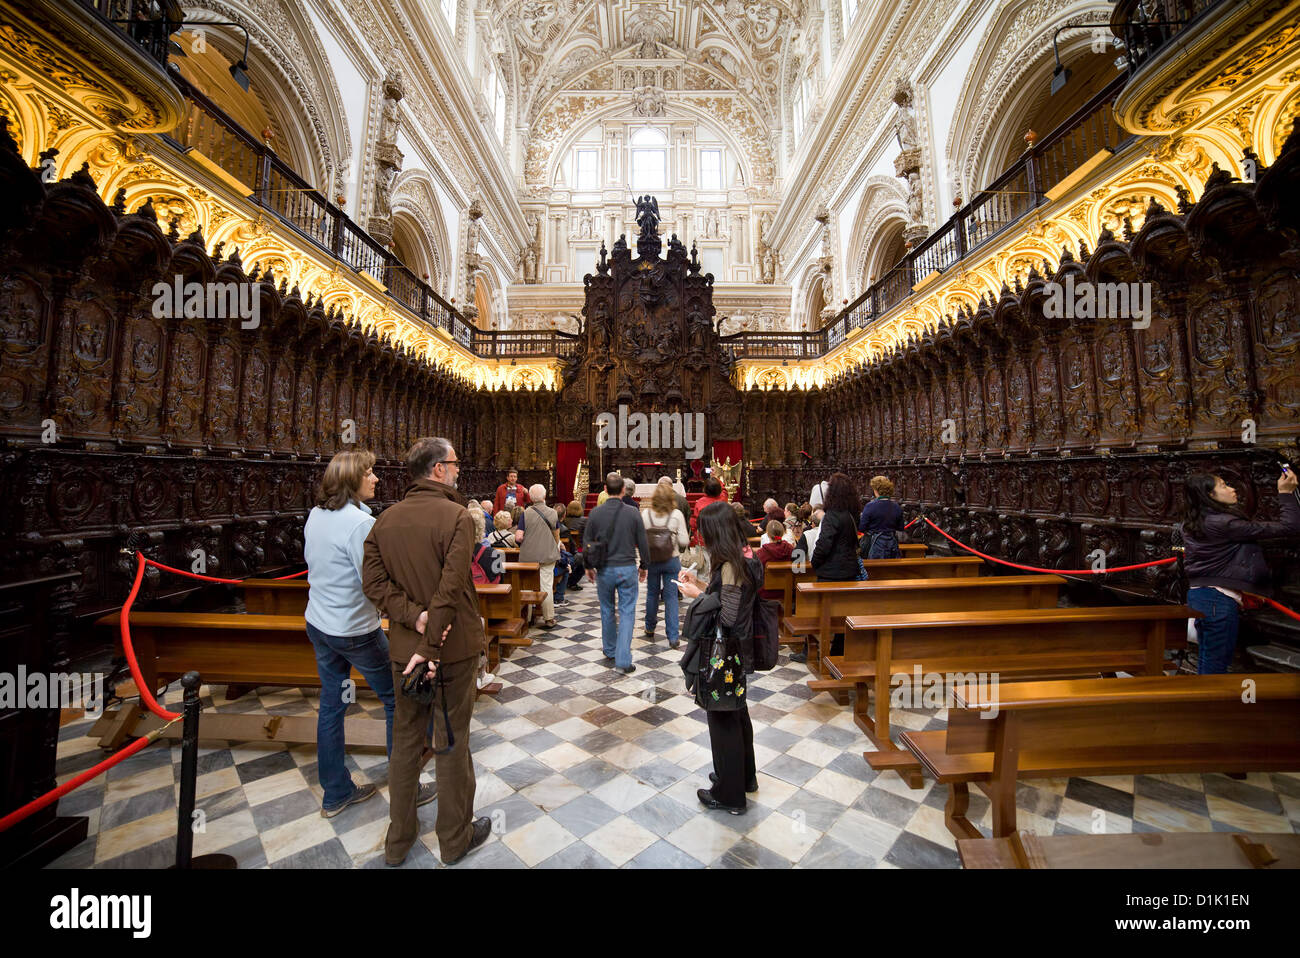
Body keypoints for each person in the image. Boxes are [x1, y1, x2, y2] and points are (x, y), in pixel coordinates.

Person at [363, 437, 491, 867]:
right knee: (451, 741)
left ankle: (398, 842)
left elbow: (375, 586)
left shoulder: (385, 521)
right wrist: (432, 642)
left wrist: (414, 619)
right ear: (438, 469)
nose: (457, 469)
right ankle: (455, 839)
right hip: (450, 650)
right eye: (454, 463)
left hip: (404, 651)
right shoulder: (457, 516)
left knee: (405, 743)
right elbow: (451, 587)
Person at [304, 450, 420, 817]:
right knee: (396, 699)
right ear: (351, 480)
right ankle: (407, 787)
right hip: (354, 629)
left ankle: (336, 792)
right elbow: (373, 581)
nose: (376, 479)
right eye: (369, 473)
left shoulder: (316, 515)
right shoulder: (358, 524)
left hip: (320, 624)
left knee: (332, 705)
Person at [678, 501, 762, 814]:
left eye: (704, 532)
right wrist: (699, 584)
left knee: (723, 716)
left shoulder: (730, 566)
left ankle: (728, 794)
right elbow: (727, 598)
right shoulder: (739, 558)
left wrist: (695, 596)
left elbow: (727, 615)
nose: (701, 537)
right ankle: (742, 776)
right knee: (737, 713)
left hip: (725, 653)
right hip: (736, 650)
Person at [1182, 467, 1300, 673]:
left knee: (1208, 659)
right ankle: (1209, 705)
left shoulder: (1198, 521)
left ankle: (1202, 703)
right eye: (1224, 485)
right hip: (1217, 599)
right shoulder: (1224, 523)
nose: (1232, 488)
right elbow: (1290, 527)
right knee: (1215, 665)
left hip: (1202, 595)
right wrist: (1285, 493)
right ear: (1211, 495)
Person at [584, 472, 650, 673]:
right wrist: (644, 565)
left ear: (605, 489)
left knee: (606, 609)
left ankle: (610, 649)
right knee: (627, 611)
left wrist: (588, 566)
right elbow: (643, 541)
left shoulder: (595, 513)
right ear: (623, 490)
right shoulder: (632, 512)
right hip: (627, 567)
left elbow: (586, 542)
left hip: (604, 568)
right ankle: (623, 658)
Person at [642, 482, 690, 647]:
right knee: (671, 598)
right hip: (671, 559)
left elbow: (641, 540)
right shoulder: (676, 515)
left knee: (652, 594)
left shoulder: (646, 514)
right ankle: (673, 636)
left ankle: (649, 627)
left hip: (653, 559)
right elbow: (684, 540)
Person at [516, 483, 560, 630]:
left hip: (528, 556)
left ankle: (527, 618)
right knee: (546, 585)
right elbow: (556, 536)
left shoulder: (525, 513)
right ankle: (548, 618)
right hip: (547, 555)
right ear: (545, 496)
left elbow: (519, 537)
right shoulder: (553, 513)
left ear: (531, 498)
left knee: (527, 587)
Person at [858, 475, 904, 559]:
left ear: (876, 490)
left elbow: (861, 527)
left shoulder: (870, 506)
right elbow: (901, 527)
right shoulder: (896, 506)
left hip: (874, 544)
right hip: (891, 544)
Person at [756, 519, 793, 600]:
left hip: (766, 592)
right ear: (783, 533)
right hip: (788, 590)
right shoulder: (791, 549)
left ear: (768, 534)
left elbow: (757, 574)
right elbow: (800, 569)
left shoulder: (761, 553)